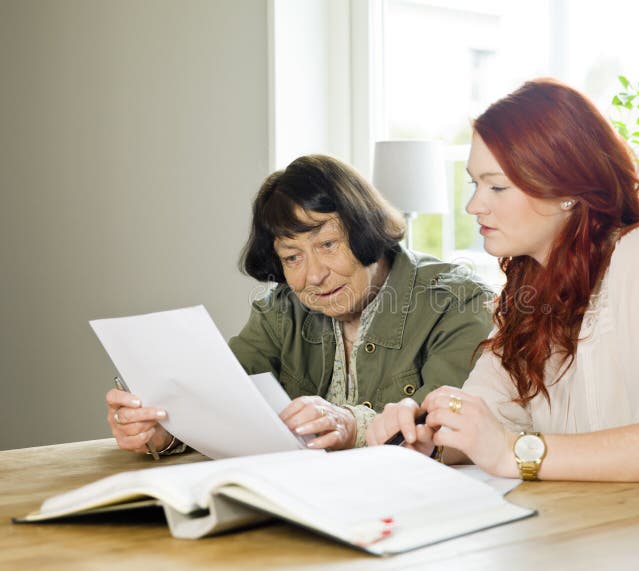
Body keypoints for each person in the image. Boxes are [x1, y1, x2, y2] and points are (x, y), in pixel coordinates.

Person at [367, 78, 639, 489]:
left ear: (565, 189)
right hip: (609, 513)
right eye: (476, 184)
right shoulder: (527, 289)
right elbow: (490, 420)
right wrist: (430, 439)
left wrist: (513, 452)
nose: (475, 205)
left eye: (497, 186)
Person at [106, 155, 494, 455]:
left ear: (365, 229)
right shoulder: (280, 310)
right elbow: (220, 398)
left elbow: (448, 429)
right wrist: (167, 428)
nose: (314, 276)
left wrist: (353, 426)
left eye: (328, 245)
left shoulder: (456, 300)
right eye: (292, 257)